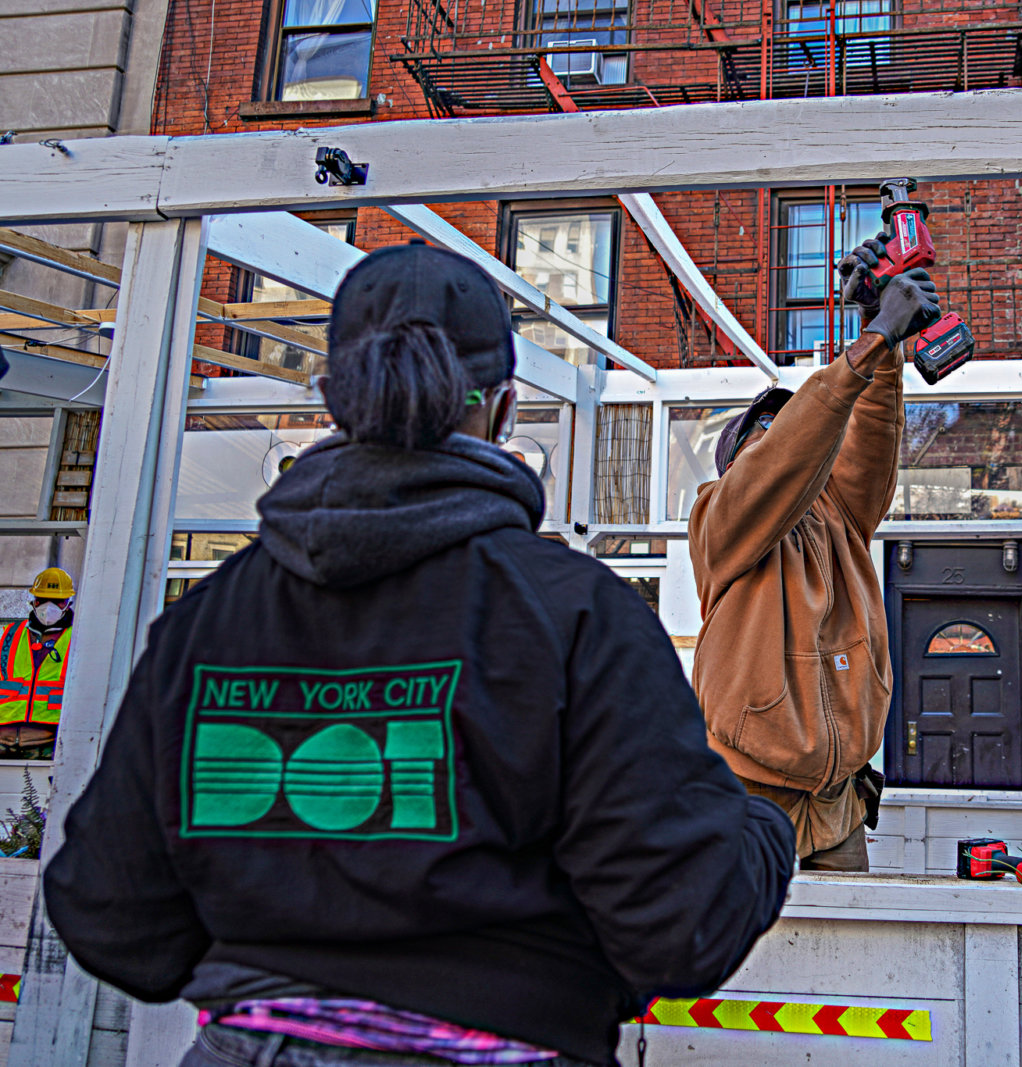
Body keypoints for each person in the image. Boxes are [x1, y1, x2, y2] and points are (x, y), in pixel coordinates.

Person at [43, 243, 795, 1067]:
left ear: (331, 398)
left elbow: (110, 913)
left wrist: (280, 976)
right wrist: (763, 824)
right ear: (506, 410)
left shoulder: (210, 621)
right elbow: (683, 927)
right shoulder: (573, 614)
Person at [689, 238, 941, 872]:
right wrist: (871, 341)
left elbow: (869, 441)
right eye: (764, 428)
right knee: (748, 965)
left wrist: (880, 346)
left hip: (837, 801)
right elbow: (787, 458)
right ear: (735, 456)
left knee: (848, 959)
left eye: (791, 421)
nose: (785, 434)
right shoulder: (721, 515)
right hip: (745, 797)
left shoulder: (836, 518)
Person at [0, 567, 77, 754]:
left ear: (68, 602)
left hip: (48, 741)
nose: (48, 607)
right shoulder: (11, 634)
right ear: (33, 601)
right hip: (3, 737)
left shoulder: (77, 637)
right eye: (42, 600)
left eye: (58, 601)